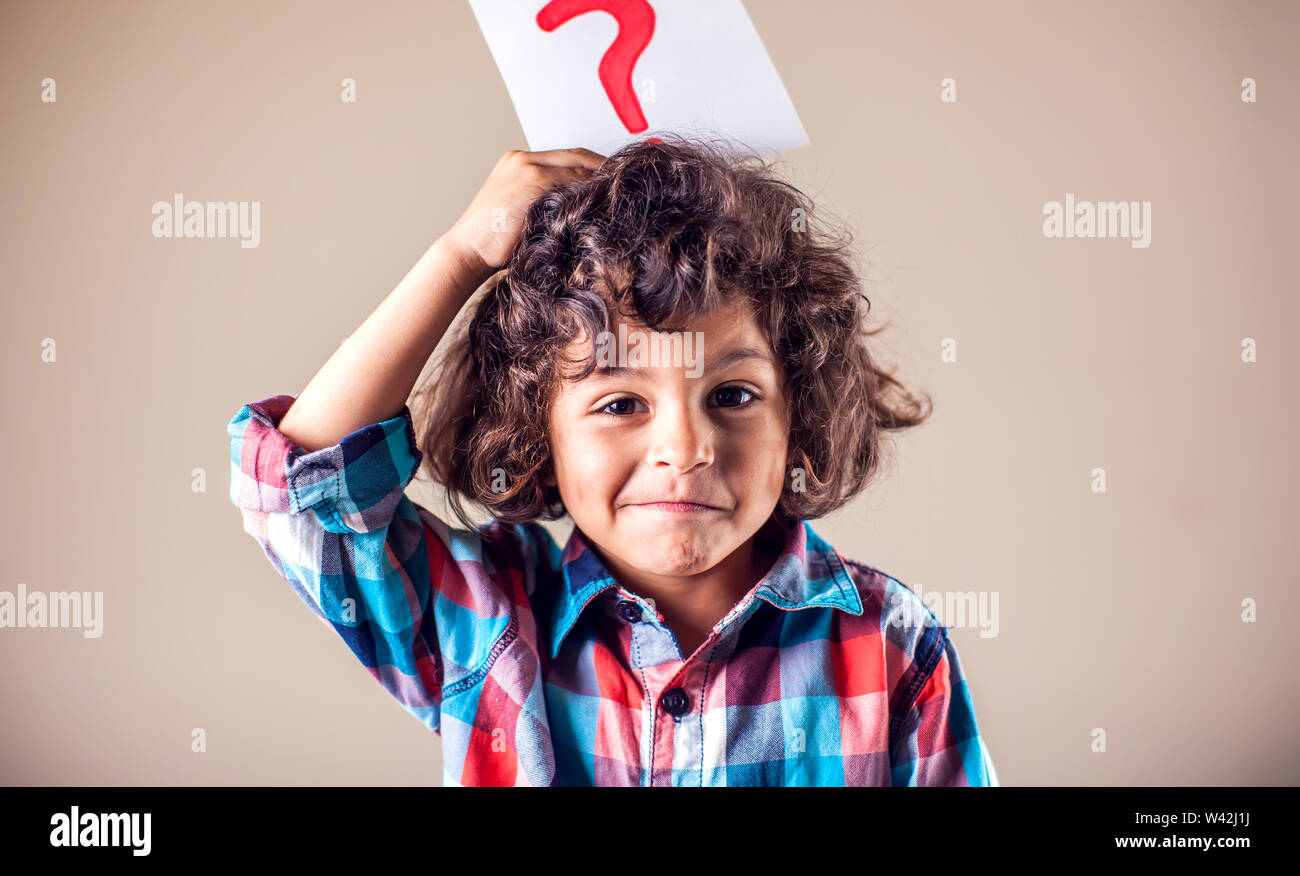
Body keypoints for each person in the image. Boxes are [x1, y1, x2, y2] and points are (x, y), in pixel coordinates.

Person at [227, 134, 999, 786]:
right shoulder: (493, 621)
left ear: (799, 415)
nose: (686, 449)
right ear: (537, 432)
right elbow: (299, 490)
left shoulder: (889, 643)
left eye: (732, 396)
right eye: (621, 403)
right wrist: (461, 254)